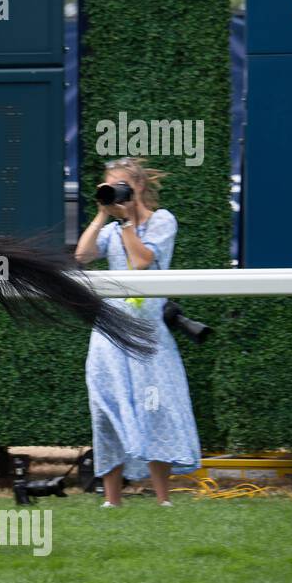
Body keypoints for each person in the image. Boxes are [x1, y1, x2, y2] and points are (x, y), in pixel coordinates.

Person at [74, 156, 202, 507]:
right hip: (110, 332)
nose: (116, 192)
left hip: (148, 333)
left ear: (139, 187)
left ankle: (163, 499)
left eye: (120, 186)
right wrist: (103, 213)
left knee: (155, 407)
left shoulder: (162, 221)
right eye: (109, 187)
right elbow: (83, 255)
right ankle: (112, 501)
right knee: (106, 409)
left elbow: (142, 261)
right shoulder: (112, 229)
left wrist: (129, 221)